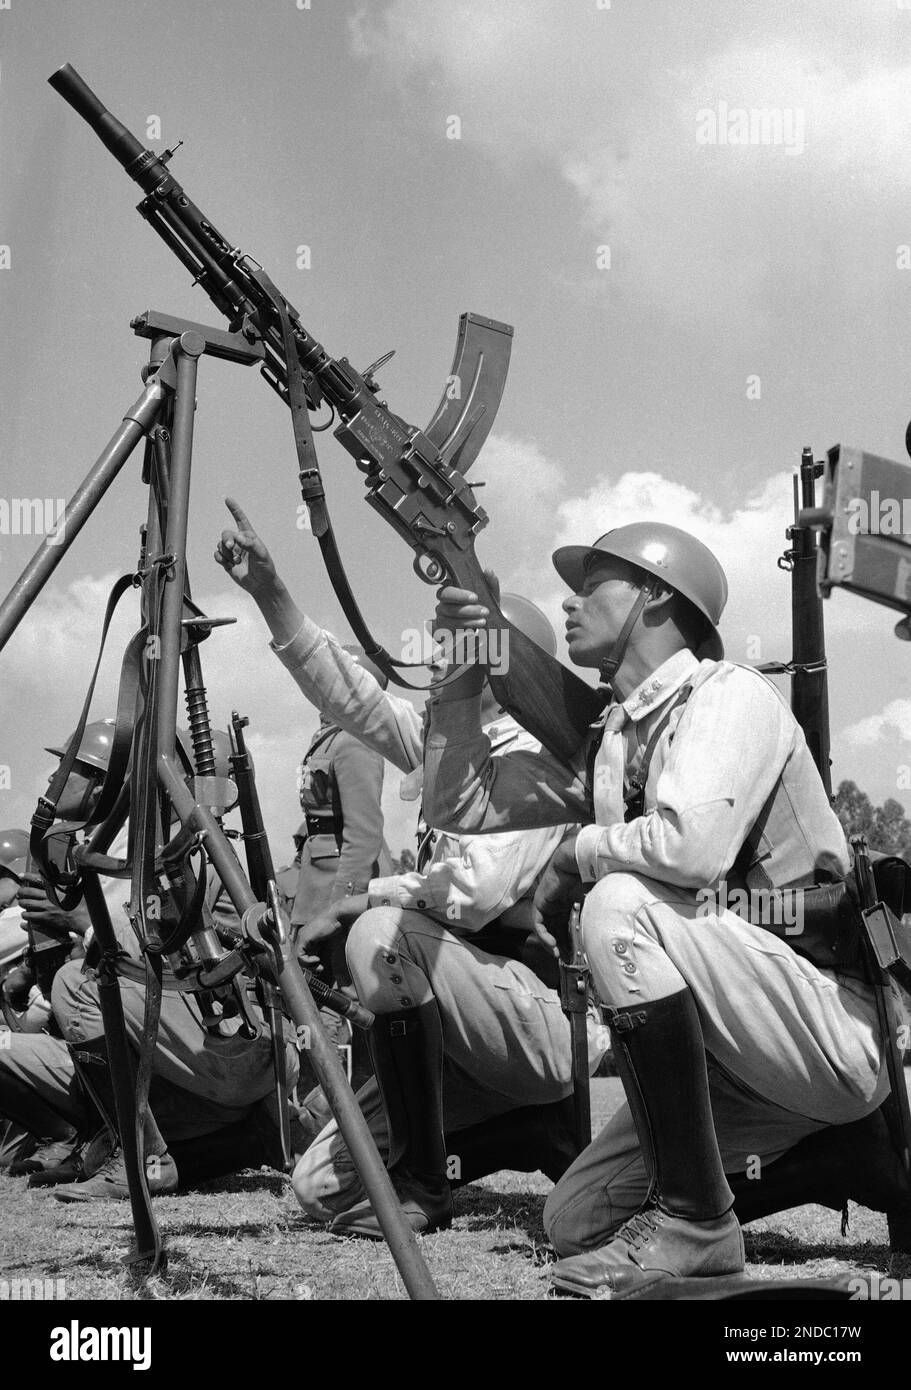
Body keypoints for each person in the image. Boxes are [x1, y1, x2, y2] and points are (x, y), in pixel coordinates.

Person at [421, 522, 893, 1296]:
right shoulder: (611, 739)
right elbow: (458, 803)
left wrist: (574, 851)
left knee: (621, 901)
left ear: (651, 595)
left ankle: (698, 1223)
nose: (568, 606)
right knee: (572, 1219)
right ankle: (832, 1159)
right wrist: (466, 672)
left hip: (820, 1023)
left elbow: (688, 849)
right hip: (728, 1062)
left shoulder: (727, 693)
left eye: (591, 587)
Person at [214, 498, 609, 1236]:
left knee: (381, 935)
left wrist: (363, 897)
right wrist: (270, 592)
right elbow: (352, 696)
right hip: (456, 1012)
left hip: (527, 1016)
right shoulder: (451, 740)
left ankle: (425, 1183)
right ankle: (524, 1136)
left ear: (499, 661)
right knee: (315, 1189)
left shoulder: (535, 754)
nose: (438, 660)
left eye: (458, 648)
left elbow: (482, 892)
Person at [0, 722, 302, 1197]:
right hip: (164, 1049)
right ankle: (100, 1141)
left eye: (67, 768)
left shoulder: (192, 851)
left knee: (75, 984)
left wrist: (81, 920)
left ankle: (144, 1158)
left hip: (225, 1046)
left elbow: (183, 964)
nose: (54, 778)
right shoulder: (109, 847)